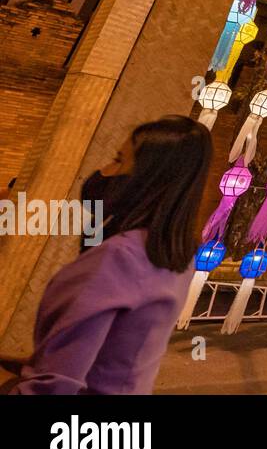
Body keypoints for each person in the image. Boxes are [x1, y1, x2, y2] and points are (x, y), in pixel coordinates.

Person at [11, 117, 213, 395]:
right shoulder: (173, 254)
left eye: (118, 160)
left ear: (146, 178)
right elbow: (112, 359)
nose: (103, 171)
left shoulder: (120, 257)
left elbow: (56, 384)